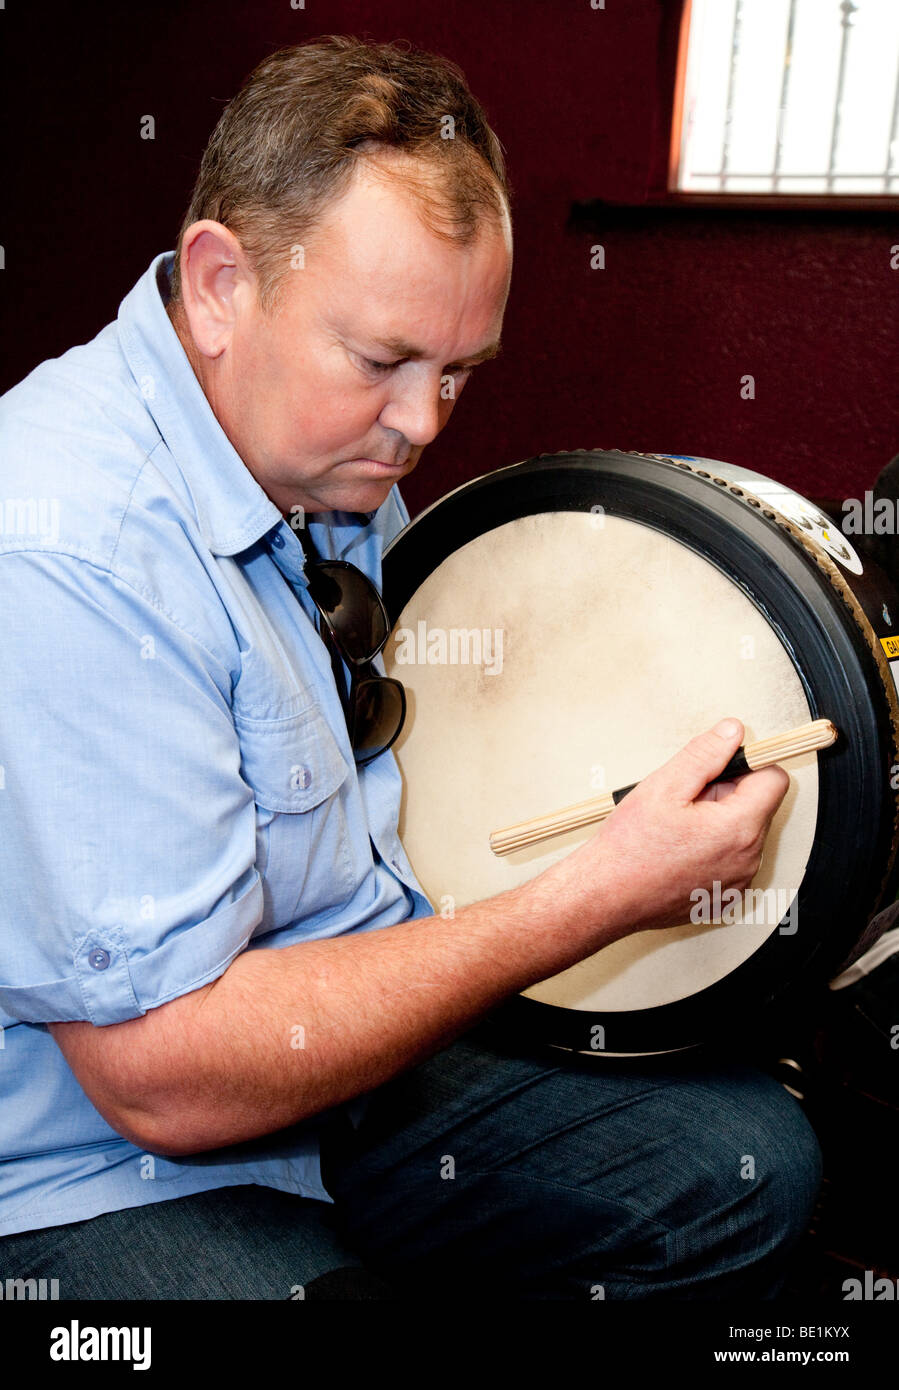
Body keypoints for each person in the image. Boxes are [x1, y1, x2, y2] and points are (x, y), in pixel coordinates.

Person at [0, 35, 821, 1300]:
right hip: (112, 1157)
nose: (424, 423)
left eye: (456, 373)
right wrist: (591, 898)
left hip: (354, 1071)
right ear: (220, 286)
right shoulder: (68, 550)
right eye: (382, 360)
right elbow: (160, 1076)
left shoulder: (321, 455)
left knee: (747, 1165)